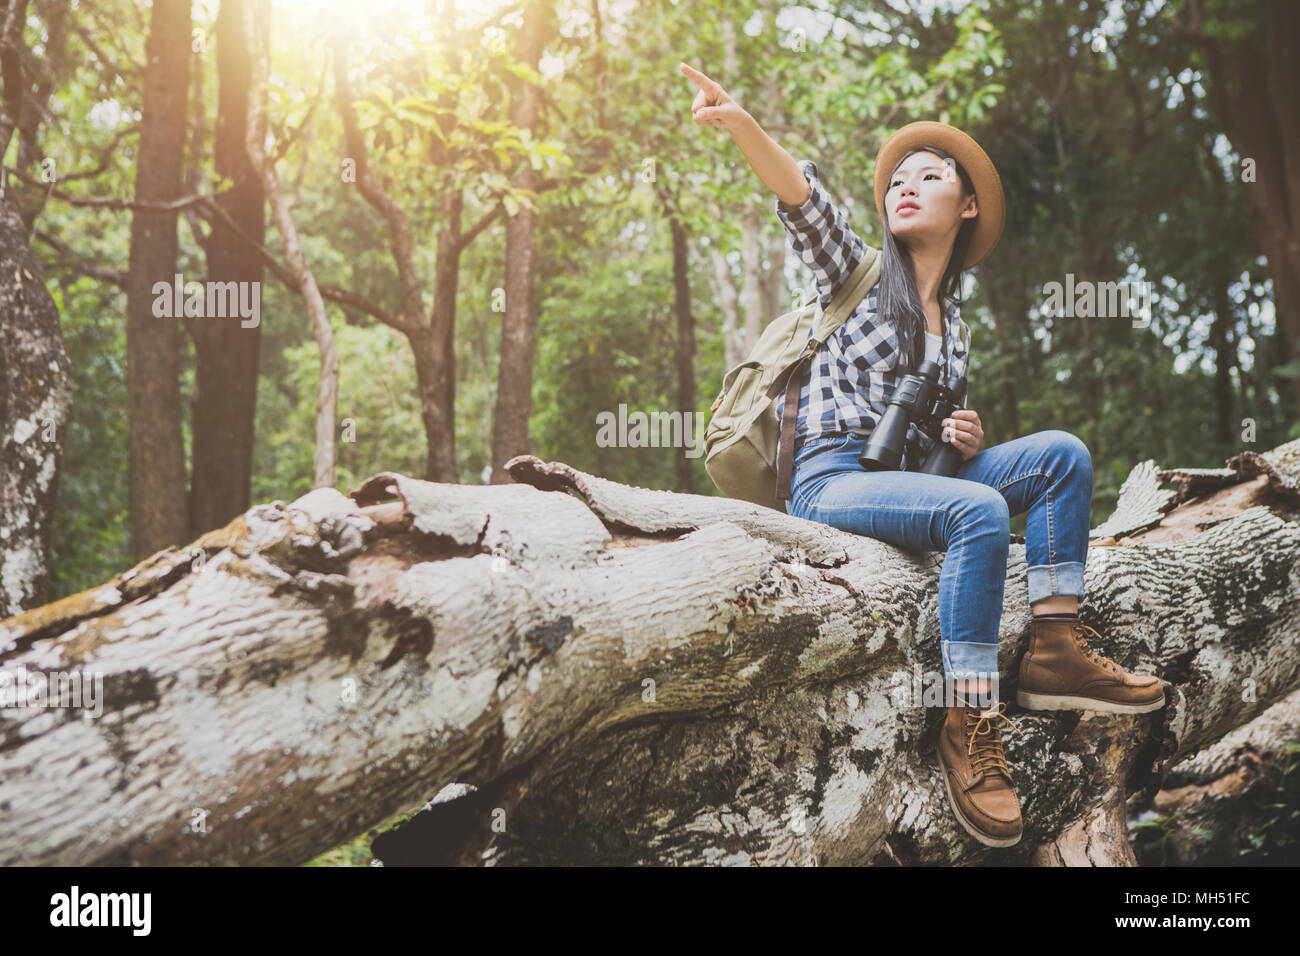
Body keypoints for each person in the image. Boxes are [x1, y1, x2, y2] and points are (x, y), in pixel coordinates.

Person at [681, 61, 1165, 848]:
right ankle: (970, 722)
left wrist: (957, 438)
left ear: (967, 204)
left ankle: (1053, 648)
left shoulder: (958, 329)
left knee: (1060, 455)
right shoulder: (859, 273)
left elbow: (930, 461)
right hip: (830, 481)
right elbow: (800, 198)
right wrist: (740, 123)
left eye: (929, 176)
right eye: (897, 179)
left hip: (907, 482)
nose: (904, 186)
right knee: (979, 512)